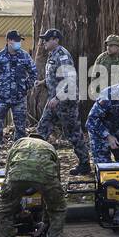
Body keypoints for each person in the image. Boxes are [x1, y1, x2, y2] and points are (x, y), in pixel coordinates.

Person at [0, 136, 68, 237]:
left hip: (17, 175)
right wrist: (46, 220)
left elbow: (7, 175)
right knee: (58, 209)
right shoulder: (49, 147)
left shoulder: (18, 143)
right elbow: (56, 183)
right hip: (46, 175)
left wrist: (16, 207)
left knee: (5, 211)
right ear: (41, 139)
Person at [34, 28, 92, 175]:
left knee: (73, 133)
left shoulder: (63, 55)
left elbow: (70, 80)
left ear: (55, 40)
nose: (44, 42)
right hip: (54, 100)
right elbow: (56, 76)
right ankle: (34, 161)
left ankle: (85, 163)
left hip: (65, 101)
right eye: (43, 40)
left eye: (47, 39)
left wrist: (58, 98)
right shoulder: (52, 55)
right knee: (42, 129)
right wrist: (42, 82)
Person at [0, 30, 37, 162]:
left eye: (19, 41)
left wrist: (26, 86)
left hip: (19, 98)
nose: (18, 43)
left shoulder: (24, 56)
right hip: (3, 98)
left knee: (20, 128)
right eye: (16, 40)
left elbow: (33, 73)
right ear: (8, 41)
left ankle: (17, 155)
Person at [85, 74, 119, 165]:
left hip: (116, 129)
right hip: (99, 130)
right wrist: (108, 136)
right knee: (104, 167)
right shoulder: (109, 95)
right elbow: (91, 120)